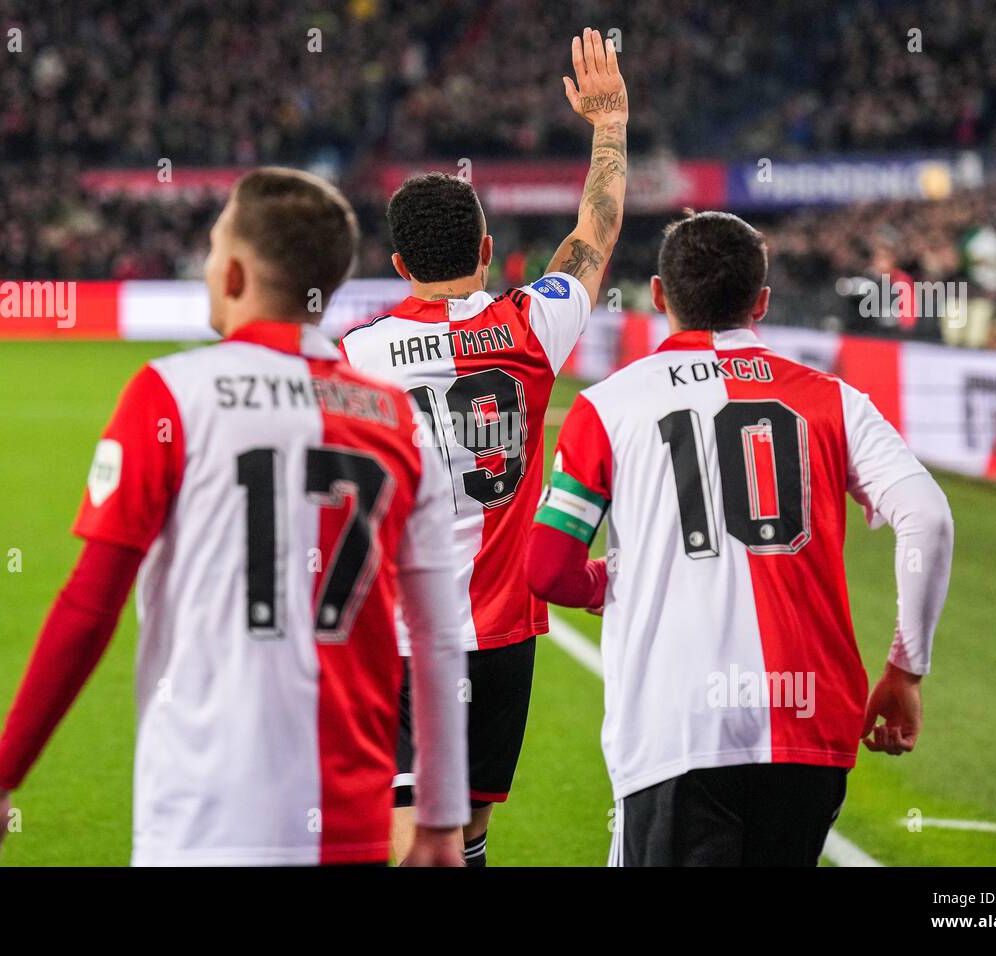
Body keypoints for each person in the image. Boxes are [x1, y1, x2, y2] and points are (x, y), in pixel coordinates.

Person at [0, 168, 468, 867]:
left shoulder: (168, 395)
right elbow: (436, 636)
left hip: (202, 812)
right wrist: (438, 819)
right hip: (348, 816)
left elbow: (88, 604)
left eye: (211, 248)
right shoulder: (397, 419)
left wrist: (0, 777)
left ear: (232, 276)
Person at [528, 209, 954, 866]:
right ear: (760, 303)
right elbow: (928, 519)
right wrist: (905, 668)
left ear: (661, 295)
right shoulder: (834, 400)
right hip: (809, 720)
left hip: (678, 725)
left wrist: (604, 581)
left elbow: (547, 568)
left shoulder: (607, 406)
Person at [340, 28, 629, 866]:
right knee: (468, 833)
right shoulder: (530, 326)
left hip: (396, 630)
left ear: (398, 263)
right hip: (501, 635)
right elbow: (597, 228)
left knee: (399, 826)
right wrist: (607, 126)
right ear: (487, 251)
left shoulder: (354, 355)